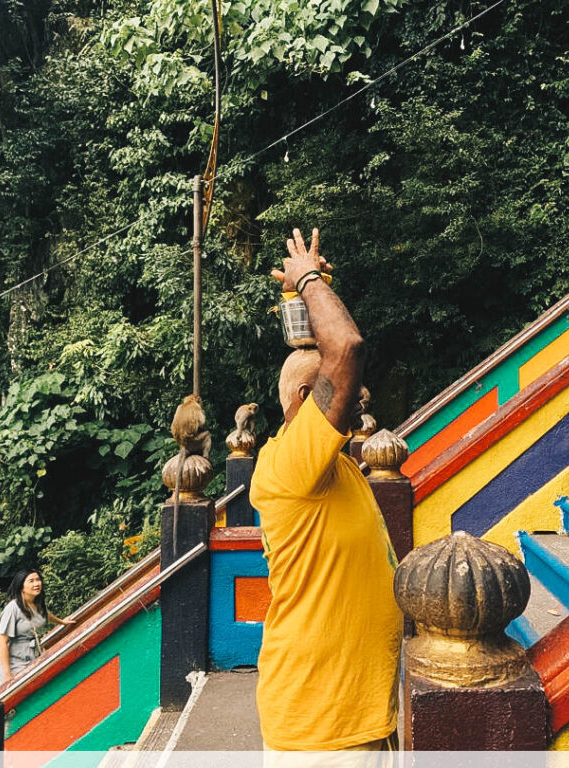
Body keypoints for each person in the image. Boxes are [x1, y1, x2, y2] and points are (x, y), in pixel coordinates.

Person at [249, 227, 402, 756]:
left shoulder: (335, 466)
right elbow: (348, 346)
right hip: (321, 727)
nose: (361, 393)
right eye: (341, 385)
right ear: (300, 397)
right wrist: (307, 279)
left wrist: (315, 296)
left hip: (354, 716)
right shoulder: (294, 463)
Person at [0, 568, 74, 686]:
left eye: (38, 580)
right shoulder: (12, 608)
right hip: (16, 664)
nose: (37, 584)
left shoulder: (36, 603)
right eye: (31, 581)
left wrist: (61, 622)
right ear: (21, 586)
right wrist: (7, 676)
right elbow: (2, 642)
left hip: (35, 658)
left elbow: (44, 615)